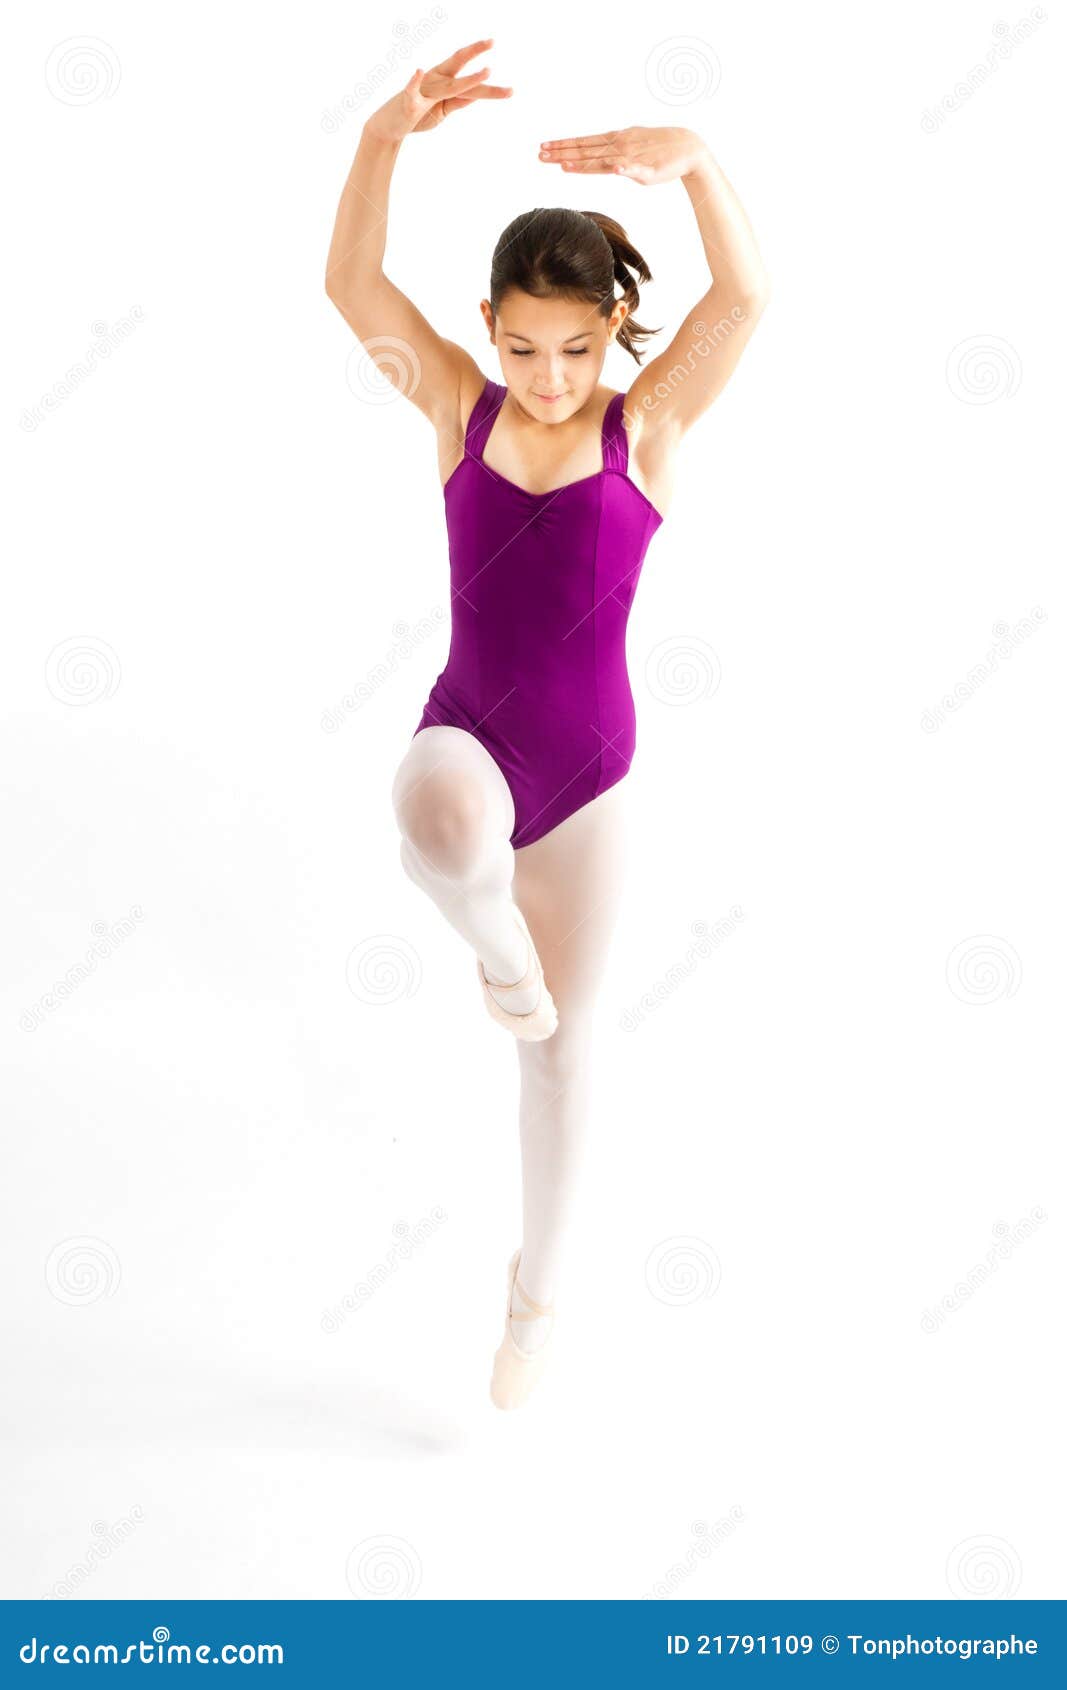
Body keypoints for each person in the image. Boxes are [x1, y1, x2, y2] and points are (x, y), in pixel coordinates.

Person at [325, 37, 769, 1410]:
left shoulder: (650, 433)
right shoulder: (459, 408)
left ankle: (537, 1302)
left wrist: (694, 162)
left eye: (575, 349)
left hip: (591, 778)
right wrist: (387, 134)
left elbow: (746, 299)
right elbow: (350, 286)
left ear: (613, 333)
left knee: (564, 1052)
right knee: (435, 811)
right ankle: (490, 939)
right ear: (491, 323)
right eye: (522, 344)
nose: (548, 375)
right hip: (472, 732)